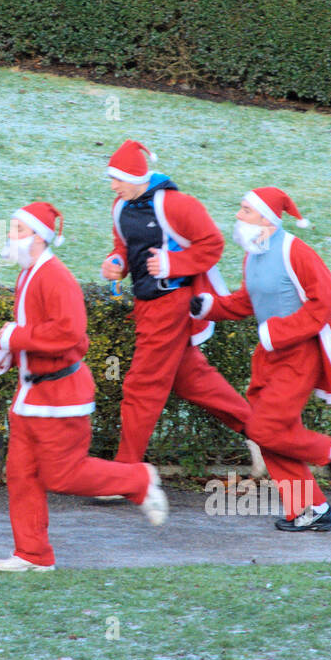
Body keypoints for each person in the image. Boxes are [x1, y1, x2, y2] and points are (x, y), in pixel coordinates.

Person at [0, 202, 168, 572]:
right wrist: (6, 348)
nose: (10, 236)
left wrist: (14, 338)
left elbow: (68, 333)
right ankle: (32, 554)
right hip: (34, 396)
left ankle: (137, 478)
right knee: (21, 476)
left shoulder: (52, 276)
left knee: (63, 474)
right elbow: (30, 332)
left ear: (39, 237)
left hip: (59, 396)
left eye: (18, 230)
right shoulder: (31, 273)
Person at [191, 187, 331, 532]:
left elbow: (326, 298)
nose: (238, 216)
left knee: (263, 429)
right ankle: (311, 510)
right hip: (268, 356)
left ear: (267, 219)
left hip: (299, 355)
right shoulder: (254, 253)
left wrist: (281, 331)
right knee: (273, 435)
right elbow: (247, 301)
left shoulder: (294, 250)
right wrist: (210, 307)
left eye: (245, 210)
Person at [100, 141, 257, 483]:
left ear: (136, 177)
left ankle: (125, 476)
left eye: (117, 178)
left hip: (171, 306)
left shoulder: (177, 204)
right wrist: (117, 263)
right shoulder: (120, 206)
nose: (112, 185)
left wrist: (173, 263)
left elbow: (212, 244)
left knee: (142, 386)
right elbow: (125, 248)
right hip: (147, 307)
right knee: (194, 381)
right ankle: (267, 437)